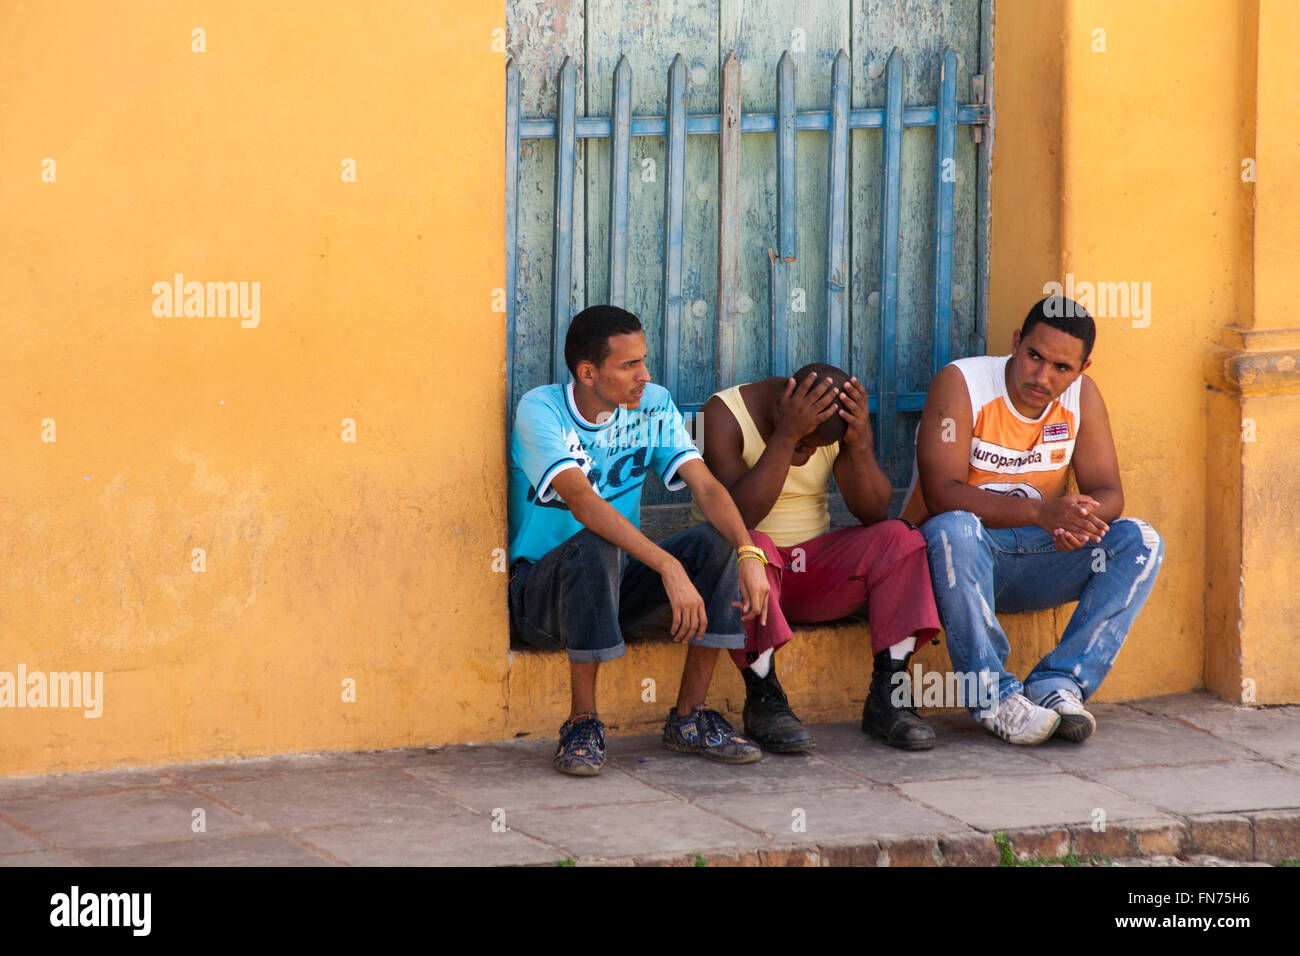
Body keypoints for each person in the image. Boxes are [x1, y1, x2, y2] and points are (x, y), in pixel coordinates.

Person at [508, 304, 772, 776]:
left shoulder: (652, 405)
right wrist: (668, 568)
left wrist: (747, 550)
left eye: (644, 361)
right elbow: (584, 505)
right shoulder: (540, 410)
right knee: (595, 541)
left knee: (714, 543)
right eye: (629, 365)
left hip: (617, 584)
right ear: (588, 373)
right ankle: (582, 722)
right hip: (542, 596)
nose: (643, 375)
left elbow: (707, 486)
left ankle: (689, 717)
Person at [902, 296, 1164, 745]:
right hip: (960, 563)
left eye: (1062, 368)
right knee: (954, 527)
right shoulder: (963, 383)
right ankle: (994, 699)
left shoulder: (1083, 397)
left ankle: (1059, 684)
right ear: (1016, 343)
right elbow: (941, 494)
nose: (1042, 377)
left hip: (1041, 555)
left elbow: (1109, 493)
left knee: (1139, 540)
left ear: (1082, 369)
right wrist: (1043, 512)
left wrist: (1075, 520)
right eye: (1034, 357)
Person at [689, 364, 942, 753]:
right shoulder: (721, 414)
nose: (807, 454)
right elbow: (739, 518)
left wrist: (859, 443)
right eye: (803, 443)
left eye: (813, 447)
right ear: (782, 404)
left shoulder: (833, 424)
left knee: (900, 537)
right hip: (747, 570)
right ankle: (764, 700)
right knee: (748, 542)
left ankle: (888, 695)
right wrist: (787, 437)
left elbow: (873, 512)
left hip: (811, 574)